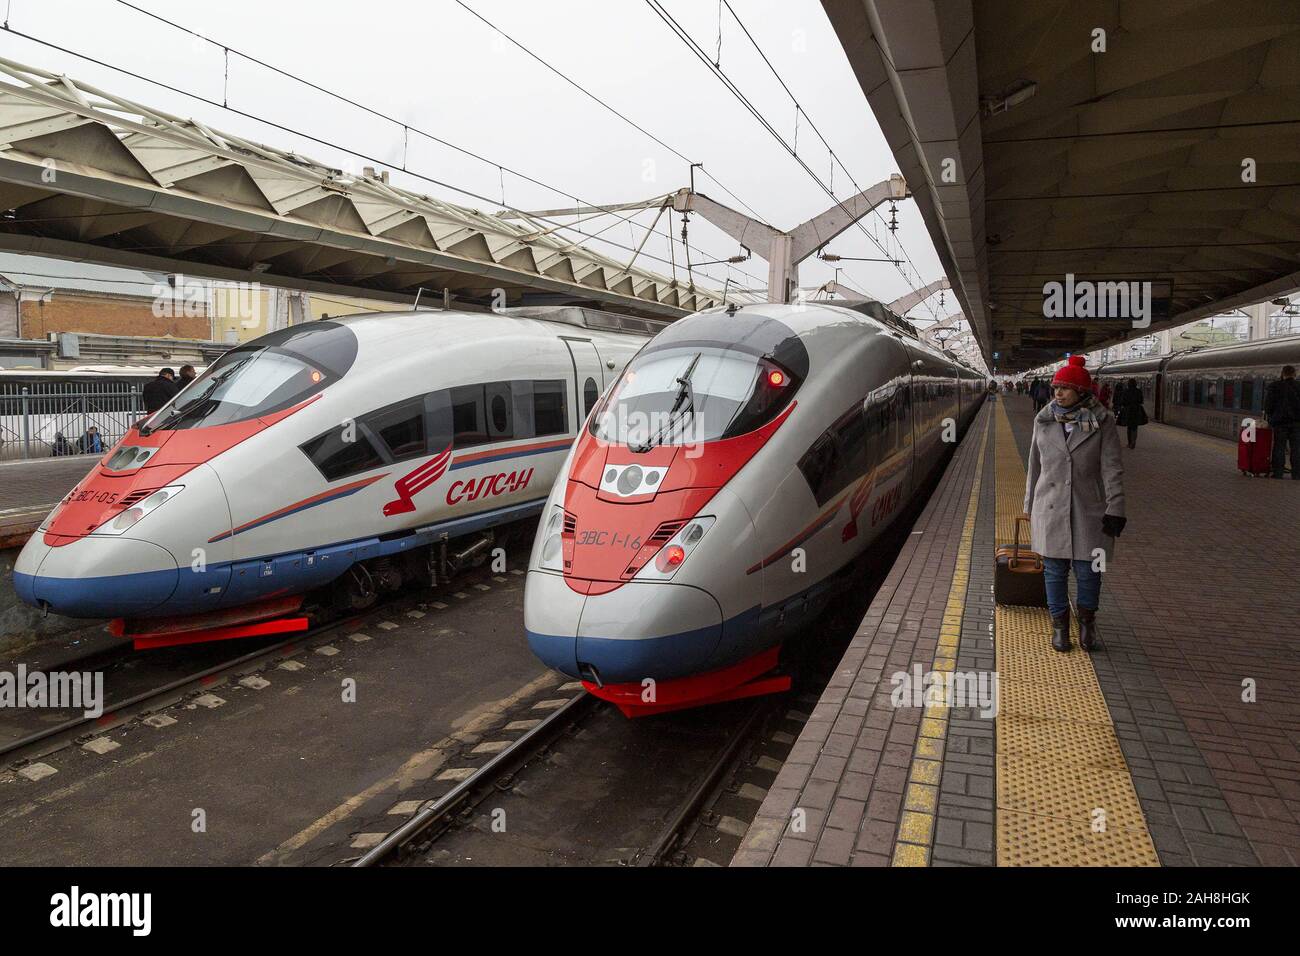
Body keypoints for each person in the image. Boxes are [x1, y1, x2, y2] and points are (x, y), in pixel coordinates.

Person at [1023, 355, 1126, 653]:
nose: (1058, 393)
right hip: (1050, 505)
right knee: (1053, 570)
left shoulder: (1103, 422)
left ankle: (1087, 623)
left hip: (1089, 508)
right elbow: (1034, 464)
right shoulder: (1043, 420)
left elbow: (1112, 467)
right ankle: (1059, 627)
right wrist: (1029, 505)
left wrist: (1116, 508)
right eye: (1056, 387)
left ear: (1082, 393)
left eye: (1065, 388)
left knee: (1088, 570)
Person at [1264, 364, 1300, 479]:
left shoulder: (1275, 386)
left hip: (1280, 423)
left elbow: (1268, 405)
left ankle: (1278, 473)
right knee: (1297, 449)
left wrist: (1271, 417)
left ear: (1282, 374)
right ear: (1295, 374)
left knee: (1279, 447)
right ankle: (1297, 474)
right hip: (1297, 423)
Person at [1114, 379, 1148, 449]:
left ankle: (1129, 443)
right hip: (1137, 410)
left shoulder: (1126, 391)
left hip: (1128, 411)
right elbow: (1141, 401)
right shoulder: (1139, 391)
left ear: (1128, 384)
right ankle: (1133, 442)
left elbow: (1122, 401)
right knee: (1135, 427)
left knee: (1129, 427)